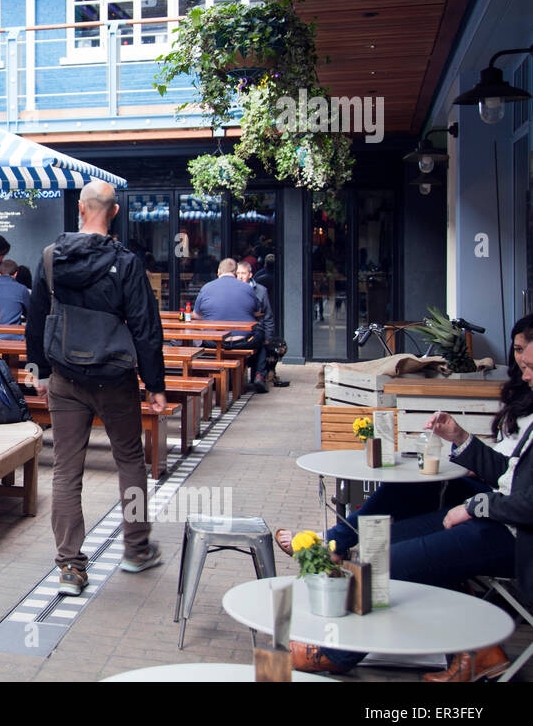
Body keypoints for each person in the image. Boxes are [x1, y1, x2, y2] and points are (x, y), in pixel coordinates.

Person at [286, 316, 533, 680]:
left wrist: (474, 506)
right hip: (499, 518)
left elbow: (526, 503)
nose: (524, 374)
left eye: (529, 365)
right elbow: (510, 476)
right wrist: (460, 438)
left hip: (516, 535)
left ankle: (336, 654)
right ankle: (479, 652)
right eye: (521, 362)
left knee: (390, 563)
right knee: (384, 542)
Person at [26, 180, 167, 596]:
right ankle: (136, 549)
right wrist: (155, 383)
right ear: (115, 212)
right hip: (116, 378)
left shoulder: (51, 258)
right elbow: (145, 326)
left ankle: (70, 567)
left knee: (67, 469)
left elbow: (35, 319)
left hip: (65, 377)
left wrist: (38, 370)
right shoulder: (126, 262)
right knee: (131, 463)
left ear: (81, 208)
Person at [194, 258, 268, 393]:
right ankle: (259, 375)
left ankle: (199, 376)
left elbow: (197, 315)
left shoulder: (206, 288)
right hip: (243, 341)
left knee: (198, 339)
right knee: (261, 337)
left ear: (218, 272)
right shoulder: (247, 288)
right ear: (235, 273)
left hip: (213, 342)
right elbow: (257, 312)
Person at [236, 259, 285, 387]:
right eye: (238, 273)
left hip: (257, 330)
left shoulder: (261, 290)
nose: (240, 276)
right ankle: (258, 375)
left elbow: (268, 316)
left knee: (263, 341)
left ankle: (259, 376)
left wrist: (268, 337)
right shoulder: (233, 291)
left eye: (243, 273)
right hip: (237, 332)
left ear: (250, 274)